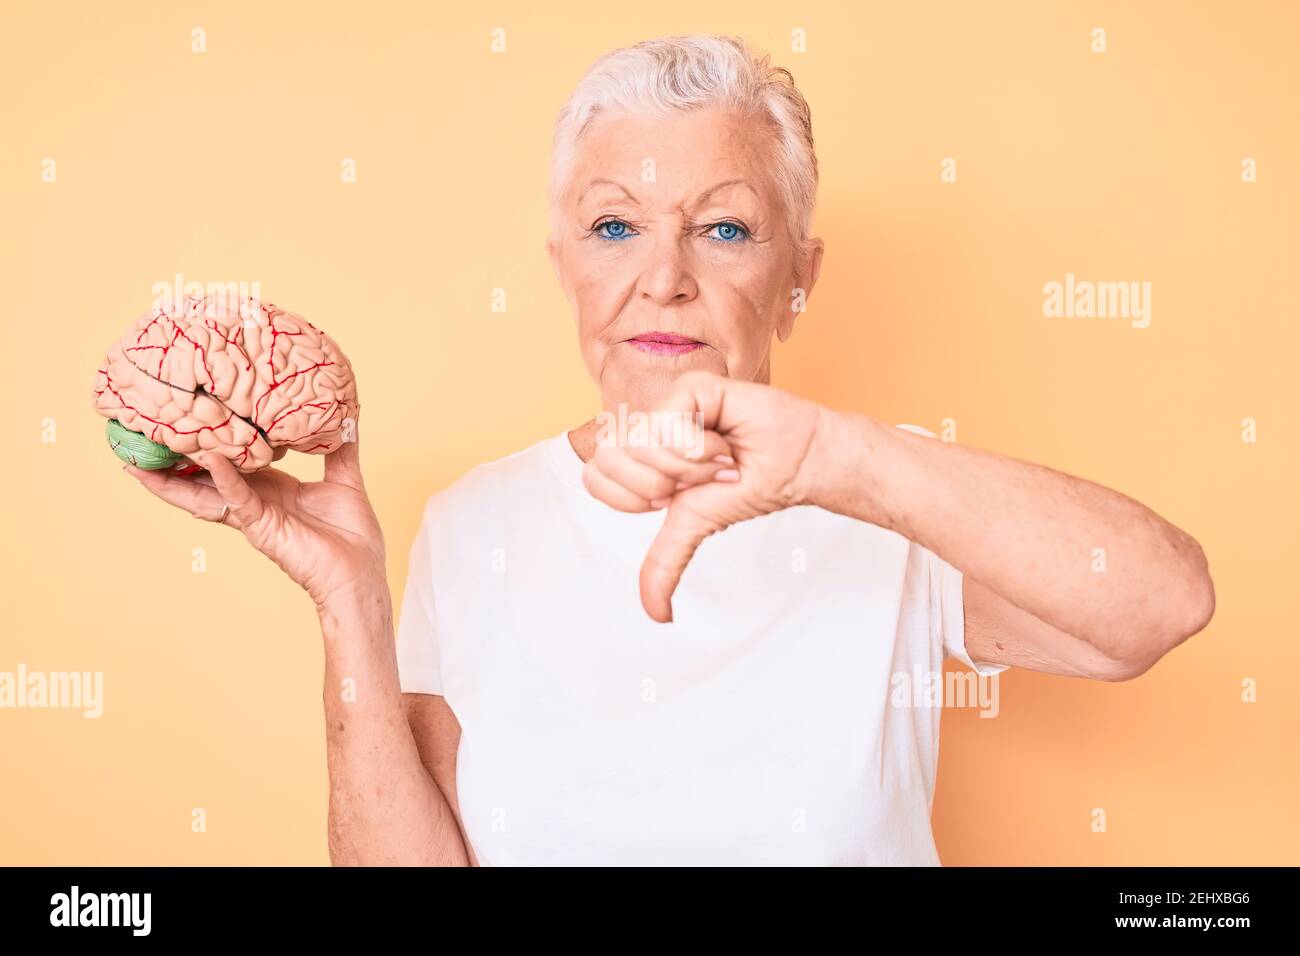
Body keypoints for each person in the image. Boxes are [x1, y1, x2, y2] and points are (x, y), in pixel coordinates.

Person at [125, 35, 1215, 866]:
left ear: (800, 276)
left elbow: (1157, 604)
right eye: (614, 226)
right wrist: (347, 598)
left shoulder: (891, 502)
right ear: (561, 265)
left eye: (725, 227)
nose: (664, 277)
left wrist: (846, 460)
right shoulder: (474, 522)